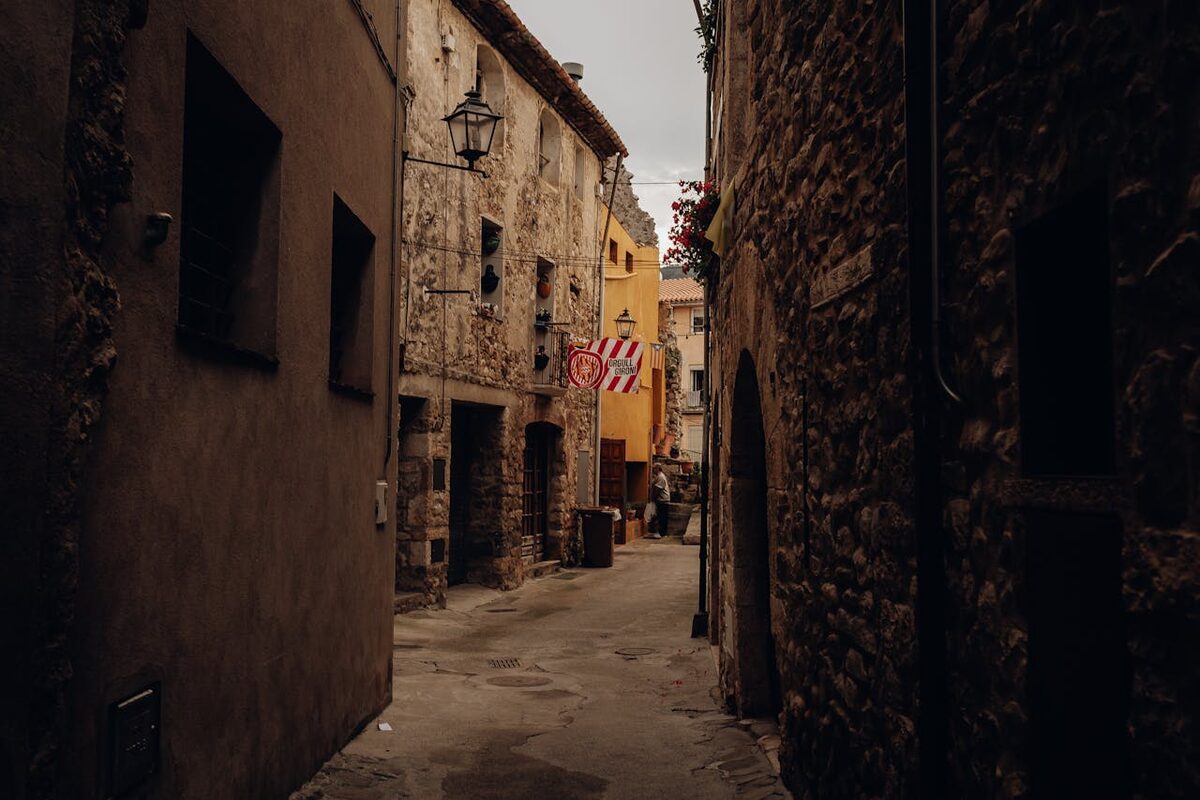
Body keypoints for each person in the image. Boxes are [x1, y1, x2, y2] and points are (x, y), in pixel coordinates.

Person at [650, 465, 671, 539]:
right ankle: (661, 532)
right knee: (661, 516)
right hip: (662, 500)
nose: (653, 470)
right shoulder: (658, 476)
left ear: (658, 469)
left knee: (662, 517)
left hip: (663, 500)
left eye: (654, 468)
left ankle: (662, 533)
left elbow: (657, 489)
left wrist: (652, 499)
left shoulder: (661, 477)